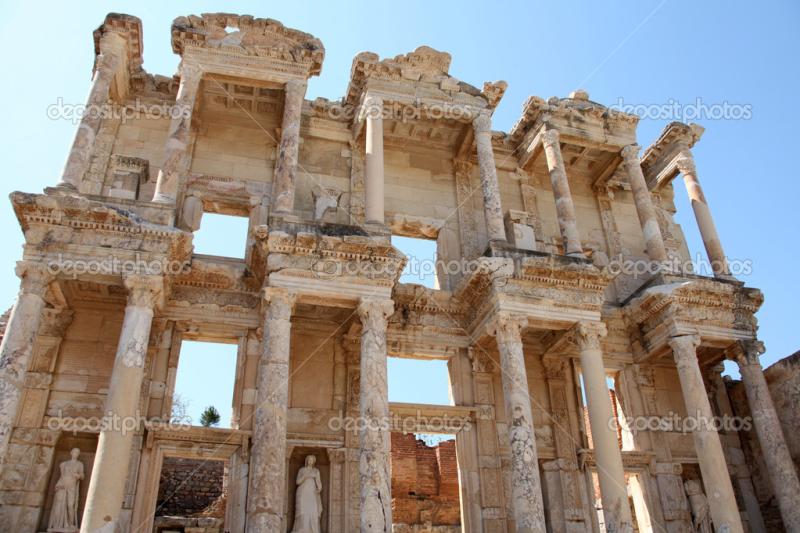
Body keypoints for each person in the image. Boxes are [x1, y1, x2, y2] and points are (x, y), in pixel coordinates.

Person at [48, 448, 84, 532]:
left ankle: (70, 524)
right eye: (75, 452)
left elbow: (82, 475)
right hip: (62, 485)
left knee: (70, 505)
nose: (76, 454)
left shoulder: (79, 464)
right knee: (58, 505)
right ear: (71, 453)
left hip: (72, 486)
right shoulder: (64, 464)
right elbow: (62, 475)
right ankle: (57, 524)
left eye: (78, 453)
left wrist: (78, 475)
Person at [291, 454, 323, 533]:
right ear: (307, 460)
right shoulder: (302, 470)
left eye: (312, 460)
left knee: (313, 511)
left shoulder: (316, 471)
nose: (310, 461)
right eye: (309, 459)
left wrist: (319, 489)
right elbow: (297, 482)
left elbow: (319, 483)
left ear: (313, 462)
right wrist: (306, 476)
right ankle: (301, 530)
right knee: (302, 511)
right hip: (303, 492)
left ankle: (313, 530)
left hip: (312, 493)